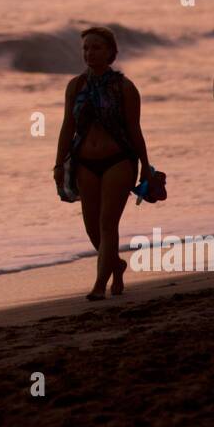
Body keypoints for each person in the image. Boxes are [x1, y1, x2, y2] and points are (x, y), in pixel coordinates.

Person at [54, 26, 152, 299]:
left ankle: (99, 284)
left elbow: (134, 129)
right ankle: (115, 265)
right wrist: (58, 164)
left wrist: (146, 165)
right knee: (92, 227)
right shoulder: (75, 86)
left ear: (110, 52)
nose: (89, 52)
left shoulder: (125, 87)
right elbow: (67, 127)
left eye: (96, 47)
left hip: (119, 160)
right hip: (84, 162)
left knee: (108, 223)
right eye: (86, 48)